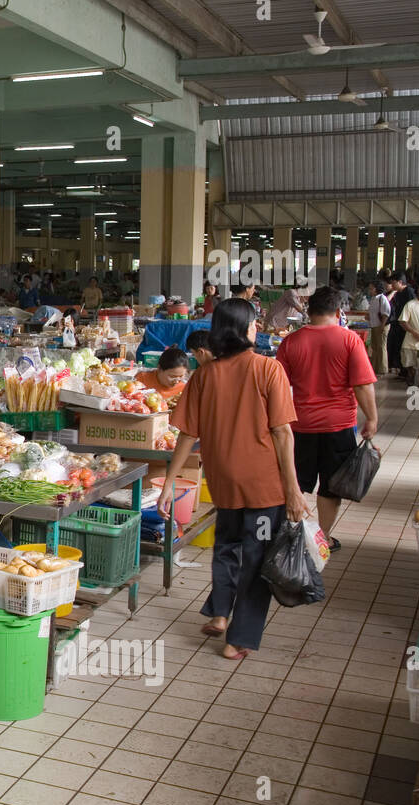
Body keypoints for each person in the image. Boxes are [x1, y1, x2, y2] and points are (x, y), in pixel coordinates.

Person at [158, 299, 305, 661]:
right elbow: (283, 433)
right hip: (262, 486)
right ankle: (237, 639)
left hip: (223, 483)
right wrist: (293, 490)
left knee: (226, 548)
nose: (257, 329)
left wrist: (168, 484)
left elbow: (186, 435)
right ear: (243, 329)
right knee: (257, 559)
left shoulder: (205, 375)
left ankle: (221, 613)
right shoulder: (268, 369)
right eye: (254, 323)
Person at [275, 287, 379, 552]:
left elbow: (277, 386)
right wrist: (372, 419)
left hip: (299, 425)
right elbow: (363, 385)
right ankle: (323, 538)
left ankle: (293, 534)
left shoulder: (291, 342)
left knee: (296, 481)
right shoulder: (350, 340)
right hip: (339, 425)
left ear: (308, 312)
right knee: (331, 485)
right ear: (337, 311)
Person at [387, 274, 415, 380]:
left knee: (404, 349)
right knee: (397, 348)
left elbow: (412, 310)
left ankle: (408, 372)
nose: (392, 285)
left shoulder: (409, 292)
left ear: (400, 282)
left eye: (393, 283)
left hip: (405, 326)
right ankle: (402, 371)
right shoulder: (398, 293)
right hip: (397, 324)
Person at [366, 280, 392, 375]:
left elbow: (386, 313)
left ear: (376, 289)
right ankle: (375, 367)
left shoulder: (382, 298)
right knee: (375, 347)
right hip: (374, 325)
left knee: (381, 347)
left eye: (371, 288)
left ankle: (382, 368)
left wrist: (382, 325)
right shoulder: (373, 299)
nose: (370, 290)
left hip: (381, 326)